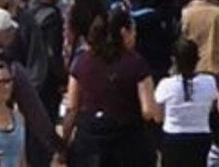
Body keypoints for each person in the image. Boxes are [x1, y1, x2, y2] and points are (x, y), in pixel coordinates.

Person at [58, 12, 157, 167]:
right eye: (133, 31)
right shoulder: (136, 63)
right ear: (124, 32)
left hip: (89, 142)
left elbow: (72, 107)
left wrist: (63, 144)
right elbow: (148, 110)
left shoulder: (81, 61)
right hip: (127, 144)